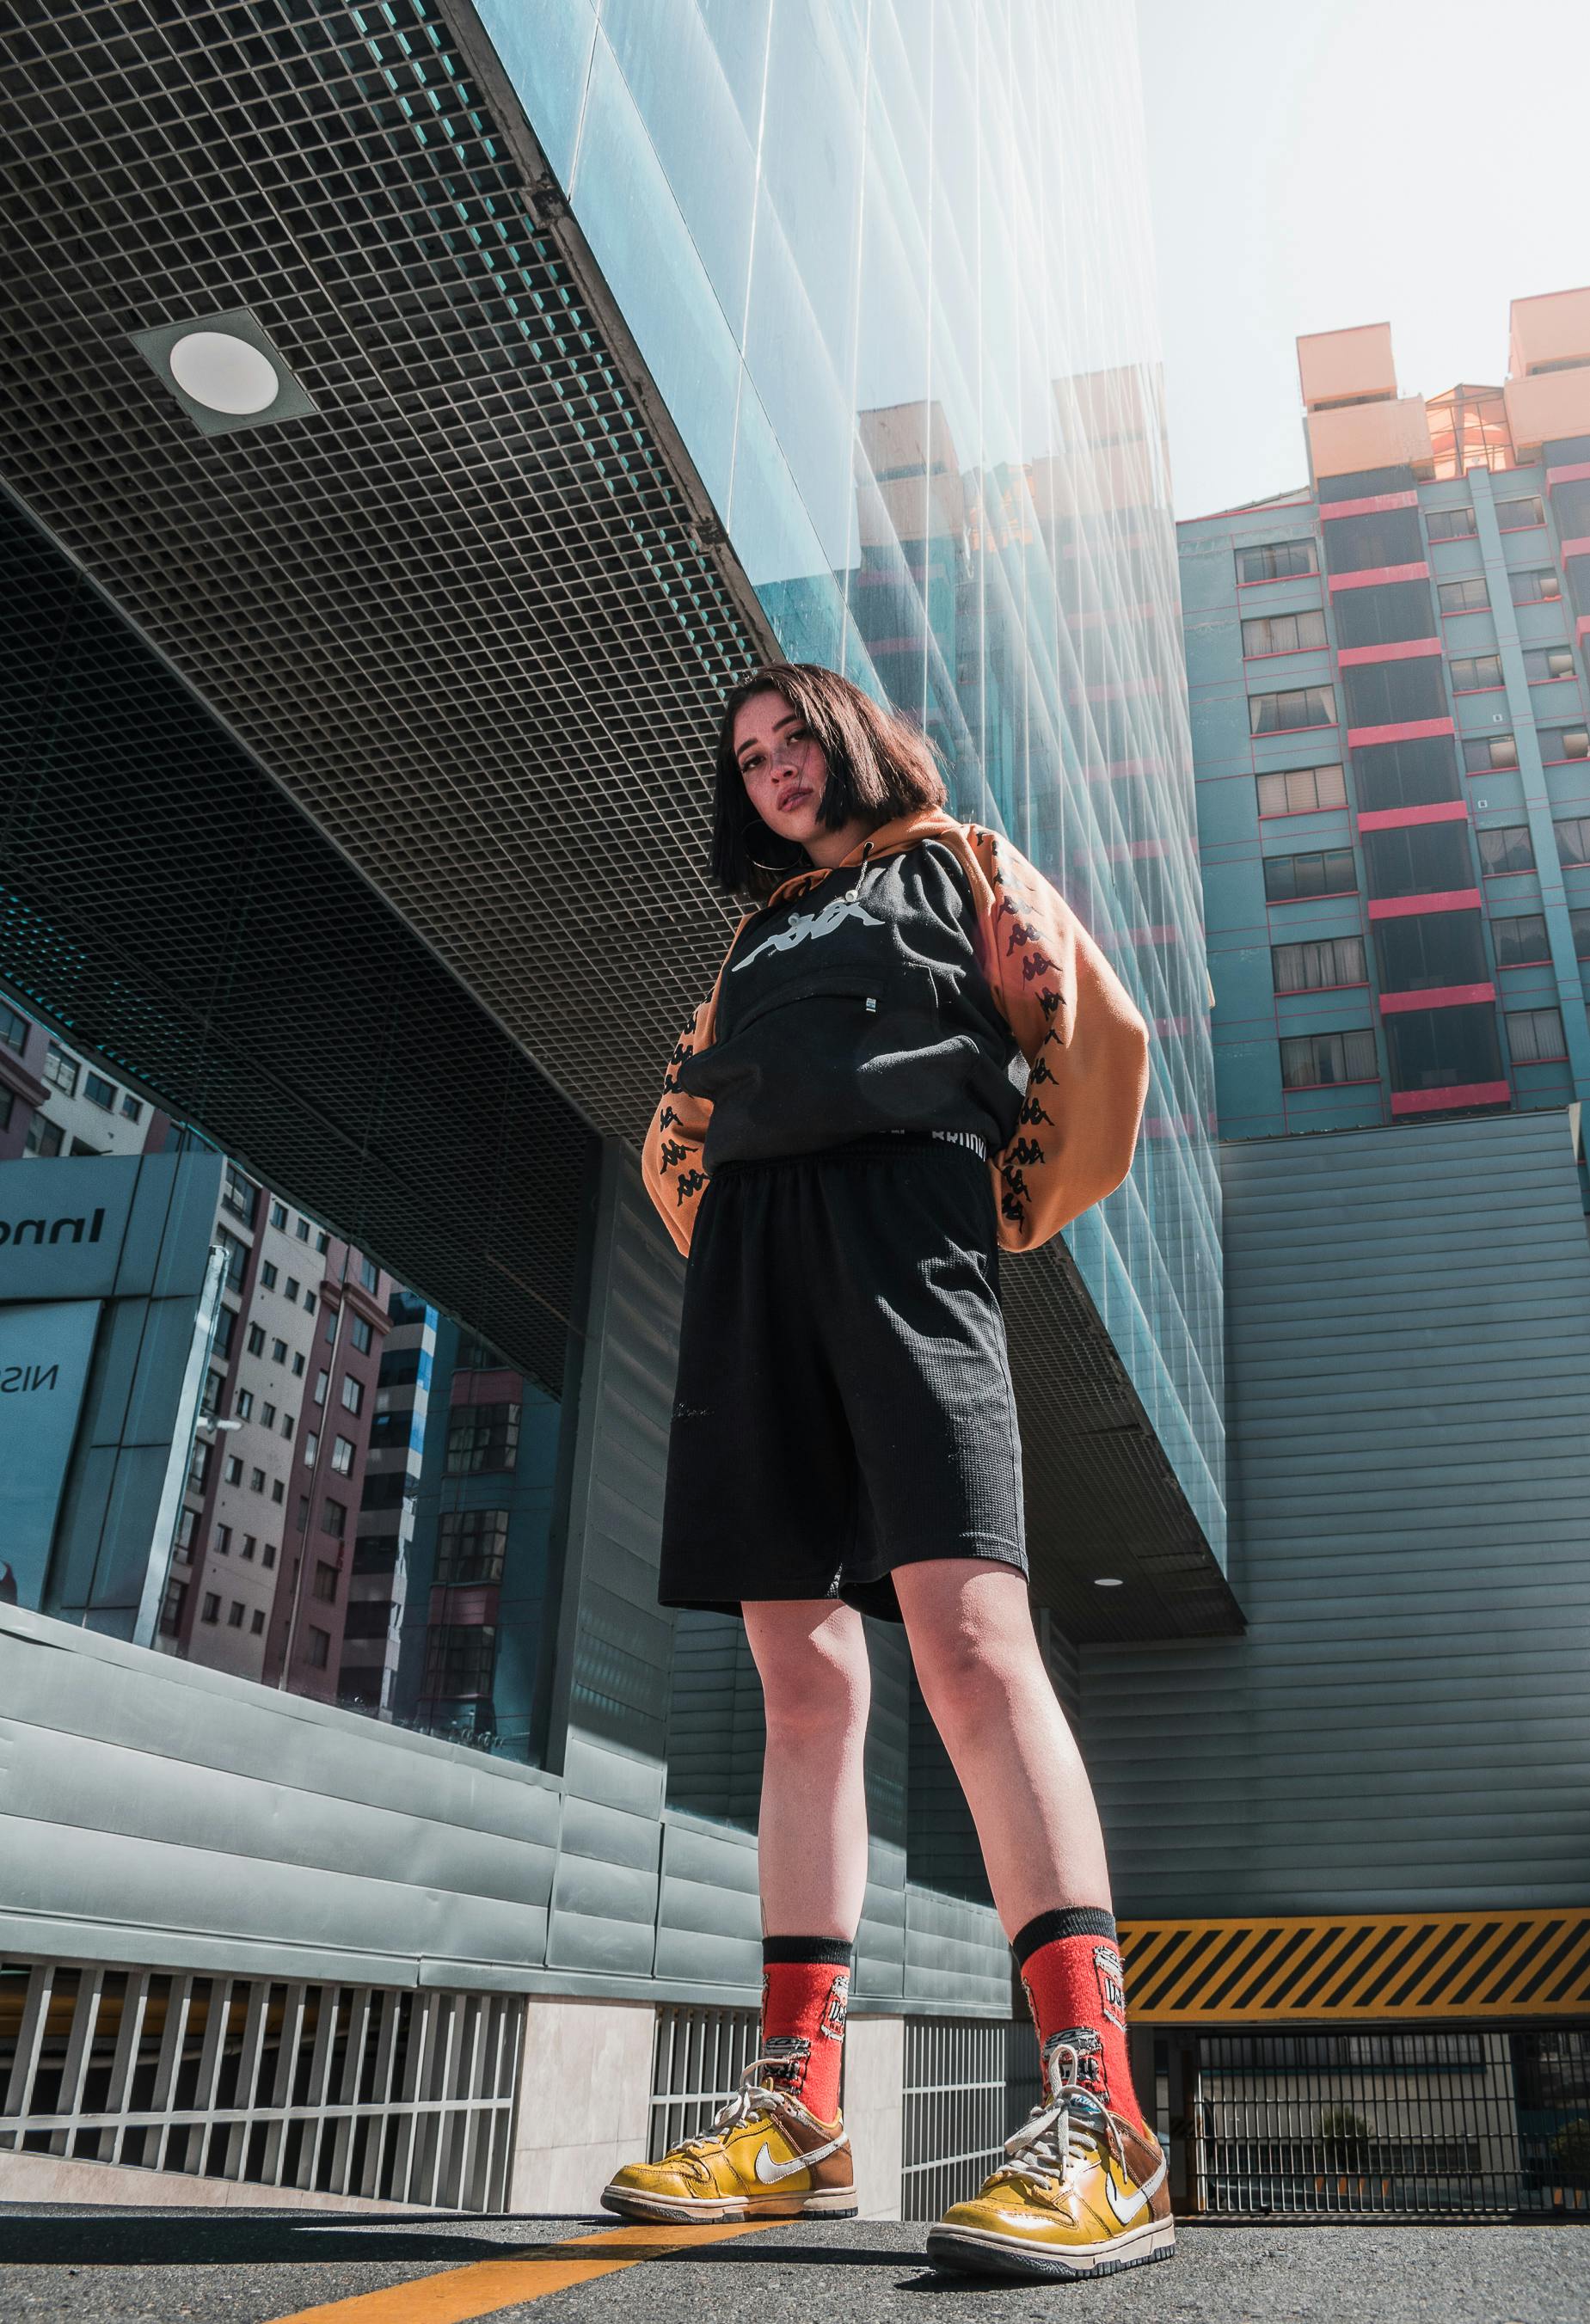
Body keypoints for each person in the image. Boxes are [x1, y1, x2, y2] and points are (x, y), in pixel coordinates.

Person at [601, 663, 1170, 2283]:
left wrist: (991, 1154)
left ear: (850, 738)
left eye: (794, 741)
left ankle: (1102, 2115)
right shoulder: (756, 928)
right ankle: (797, 2112)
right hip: (757, 1268)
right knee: (800, 1678)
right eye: (750, 758)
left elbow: (1084, 1050)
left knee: (973, 1645)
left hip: (906, 1227)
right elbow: (680, 1124)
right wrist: (726, 1232)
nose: (776, 770)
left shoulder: (964, 855)